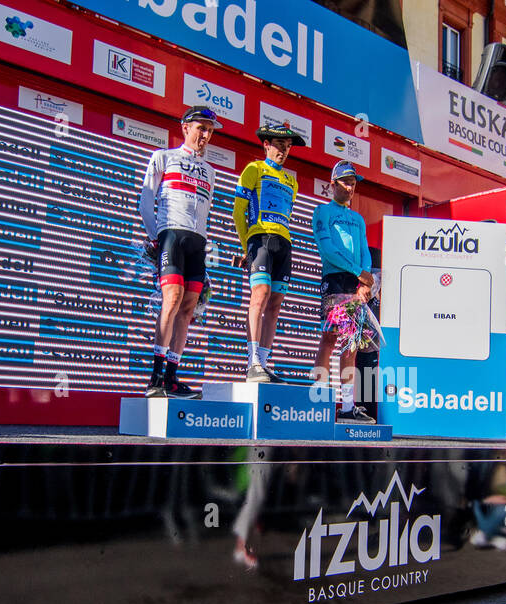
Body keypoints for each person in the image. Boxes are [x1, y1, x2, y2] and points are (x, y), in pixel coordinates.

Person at [137, 106, 220, 399]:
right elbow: (146, 200)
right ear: (185, 127)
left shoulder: (211, 171)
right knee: (171, 300)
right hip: (171, 235)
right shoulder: (163, 157)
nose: (206, 135)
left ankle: (171, 377)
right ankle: (155, 377)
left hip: (198, 243)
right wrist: (156, 235)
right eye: (201, 128)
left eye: (209, 130)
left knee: (188, 308)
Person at [234, 122, 304, 383]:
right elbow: (237, 212)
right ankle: (252, 362)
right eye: (279, 146)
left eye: (287, 148)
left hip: (283, 243)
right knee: (259, 295)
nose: (283, 152)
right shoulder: (254, 169)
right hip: (259, 238)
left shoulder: (291, 181)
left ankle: (263, 364)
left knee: (275, 305)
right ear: (266, 144)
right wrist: (246, 248)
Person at [311, 161, 376, 423]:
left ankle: (348, 407)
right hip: (335, 279)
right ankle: (318, 400)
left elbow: (365, 252)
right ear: (334, 183)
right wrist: (357, 270)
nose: (350, 187)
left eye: (353, 183)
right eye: (346, 182)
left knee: (352, 345)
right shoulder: (322, 212)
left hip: (355, 283)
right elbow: (327, 250)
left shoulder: (357, 218)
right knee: (329, 338)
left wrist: (366, 282)